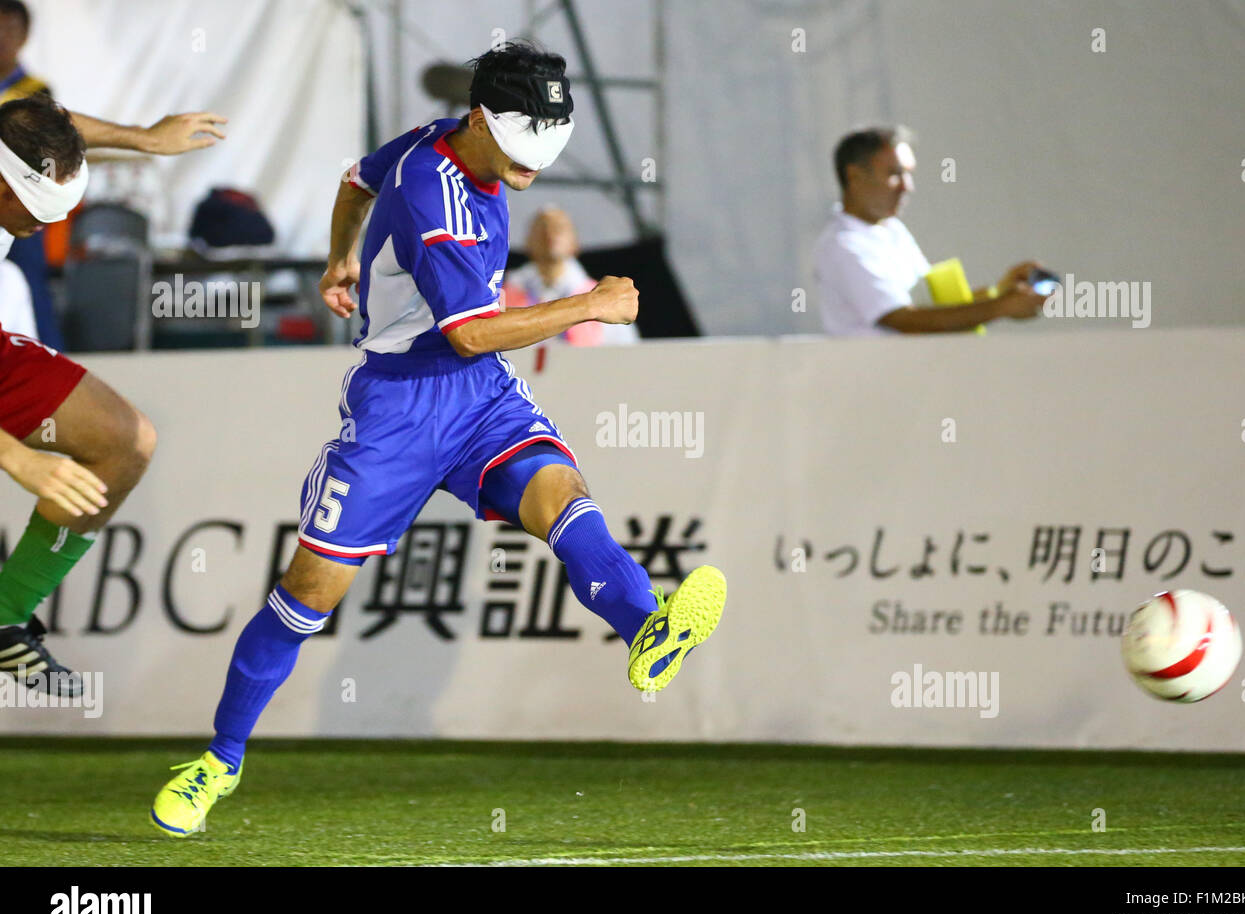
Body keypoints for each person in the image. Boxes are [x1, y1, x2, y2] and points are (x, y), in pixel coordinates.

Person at [150, 41, 727, 838]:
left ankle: (646, 627)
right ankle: (219, 760)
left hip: (481, 396)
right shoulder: (434, 191)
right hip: (401, 405)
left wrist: (340, 257)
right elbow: (470, 333)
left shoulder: (436, 138)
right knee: (305, 599)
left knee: (560, 493)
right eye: (524, 145)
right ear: (484, 120)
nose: (534, 168)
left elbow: (355, 179)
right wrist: (590, 305)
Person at [0, 95, 226, 695]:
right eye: (34, 206)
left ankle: (3, 617)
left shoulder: (14, 136)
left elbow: (52, 123)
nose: (47, 225)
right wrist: (21, 460)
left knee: (124, 442)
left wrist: (143, 138)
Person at [814, 126, 1047, 335]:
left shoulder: (893, 230)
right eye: (895, 174)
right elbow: (905, 320)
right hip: (874, 379)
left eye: (909, 174)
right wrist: (1001, 307)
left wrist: (999, 292)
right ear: (854, 176)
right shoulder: (842, 245)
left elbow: (934, 306)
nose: (908, 187)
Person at [503, 206, 639, 345]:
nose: (550, 234)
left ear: (575, 242)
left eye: (559, 228)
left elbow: (625, 351)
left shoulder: (602, 296)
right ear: (528, 241)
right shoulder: (503, 294)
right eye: (542, 228)